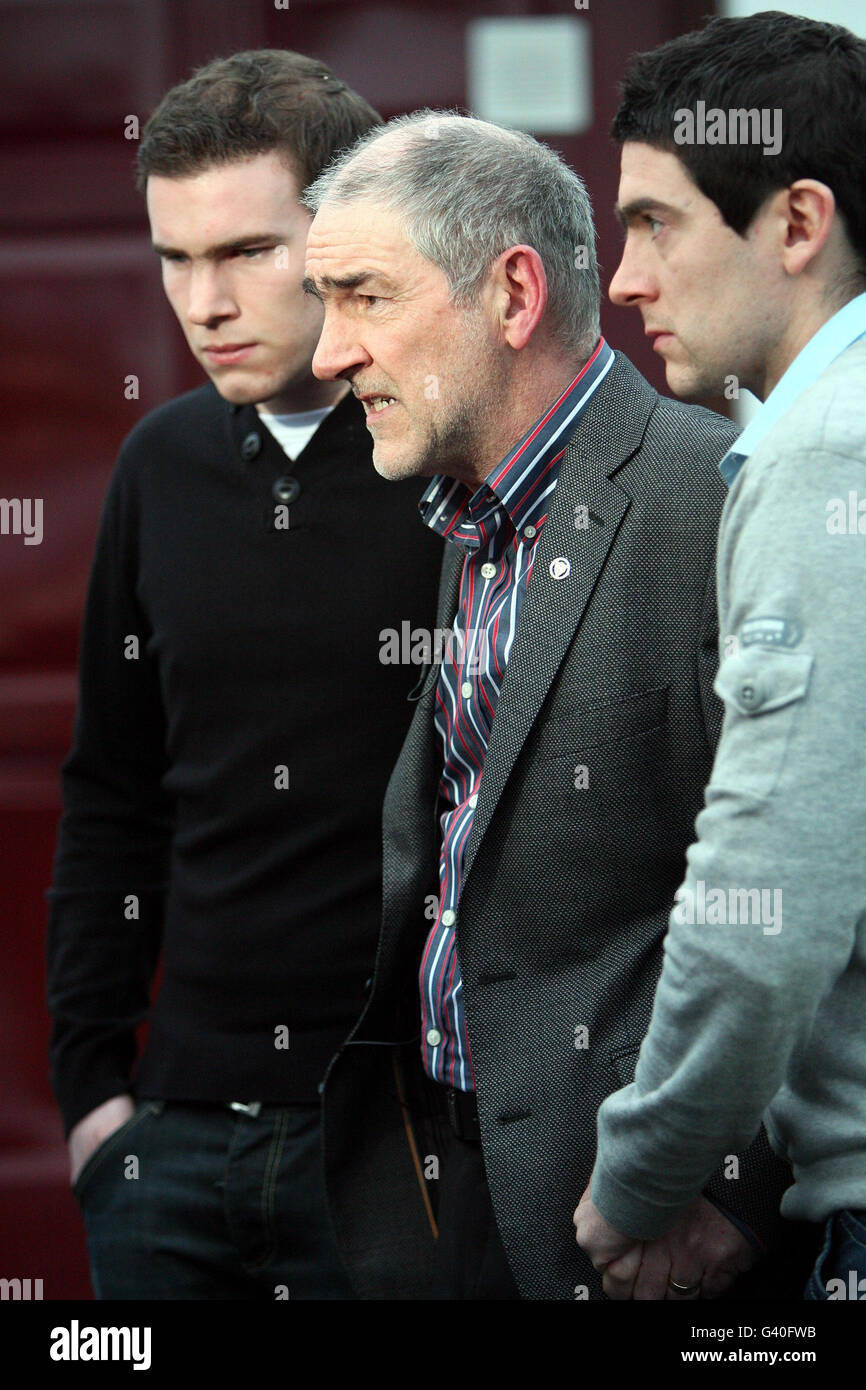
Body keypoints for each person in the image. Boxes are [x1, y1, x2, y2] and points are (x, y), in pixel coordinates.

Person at [301, 109, 803, 1301]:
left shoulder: (710, 499)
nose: (325, 353)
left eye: (363, 297)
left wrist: (732, 1190)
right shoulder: (470, 507)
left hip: (634, 1231)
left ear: (512, 294)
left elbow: (800, 885)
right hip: (451, 1182)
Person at [46, 49, 443, 1300]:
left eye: (247, 253)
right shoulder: (158, 465)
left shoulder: (449, 463)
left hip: (406, 1138)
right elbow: (111, 793)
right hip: (175, 1142)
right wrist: (95, 1104)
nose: (202, 300)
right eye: (175, 259)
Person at [574, 11, 866, 1302]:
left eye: (655, 223)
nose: (625, 279)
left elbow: (769, 899)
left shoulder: (824, 456)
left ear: (794, 225)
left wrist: (636, 1180)